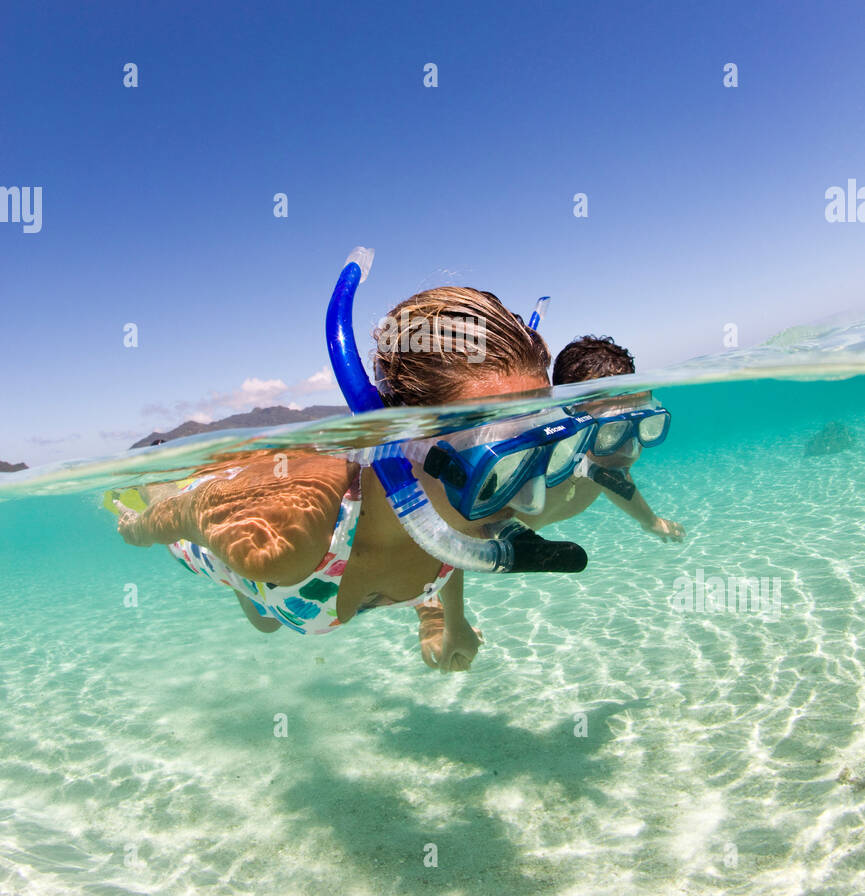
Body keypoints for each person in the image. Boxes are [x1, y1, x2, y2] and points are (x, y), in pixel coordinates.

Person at [114, 262, 589, 674]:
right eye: (497, 454)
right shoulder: (289, 533)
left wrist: (448, 619)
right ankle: (159, 474)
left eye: (539, 449)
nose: (528, 494)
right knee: (263, 618)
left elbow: (449, 537)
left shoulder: (469, 504)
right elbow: (180, 517)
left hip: (324, 572)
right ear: (402, 439)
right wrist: (137, 528)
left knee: (265, 621)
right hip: (234, 539)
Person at [525, 334, 685, 542]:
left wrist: (650, 521)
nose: (630, 452)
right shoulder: (527, 467)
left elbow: (615, 480)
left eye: (635, 428)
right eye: (611, 431)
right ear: (568, 415)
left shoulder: (602, 461)